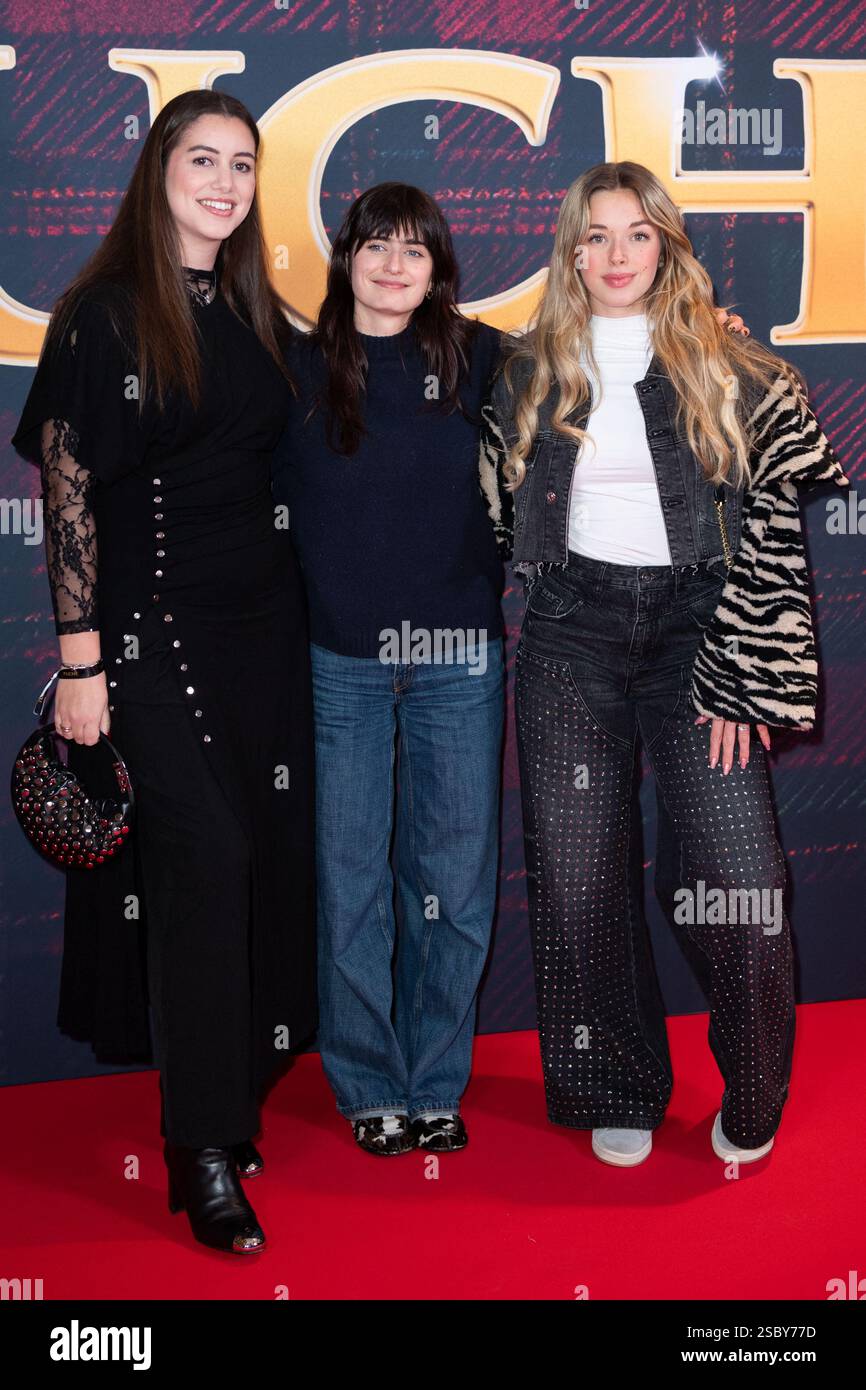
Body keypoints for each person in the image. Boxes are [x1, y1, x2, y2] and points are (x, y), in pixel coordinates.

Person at [480, 160, 847, 1168]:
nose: (613, 255)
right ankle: (617, 1082)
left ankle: (755, 1082)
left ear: (664, 247)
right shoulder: (523, 368)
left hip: (699, 633)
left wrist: (748, 665)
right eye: (592, 236)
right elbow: (484, 500)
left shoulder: (731, 365)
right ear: (569, 251)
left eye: (634, 234)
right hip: (566, 639)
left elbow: (772, 518)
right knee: (578, 883)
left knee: (738, 880)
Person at [12, 90, 317, 1252]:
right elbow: (70, 486)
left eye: (242, 164)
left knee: (254, 870)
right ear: (158, 170)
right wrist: (80, 662)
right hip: (149, 640)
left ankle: (226, 1099)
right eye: (203, 159)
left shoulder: (245, 308)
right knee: (210, 864)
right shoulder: (105, 315)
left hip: (258, 639)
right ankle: (198, 1153)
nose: (225, 182)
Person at [272, 184, 506, 1156]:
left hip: (459, 657)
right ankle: (369, 1080)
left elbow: (597, 374)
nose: (394, 264)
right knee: (350, 880)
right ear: (346, 256)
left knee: (452, 879)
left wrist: (702, 324)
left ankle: (434, 1080)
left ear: (437, 265)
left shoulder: (481, 356)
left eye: (415, 248)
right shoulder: (292, 367)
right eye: (376, 245)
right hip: (338, 665)